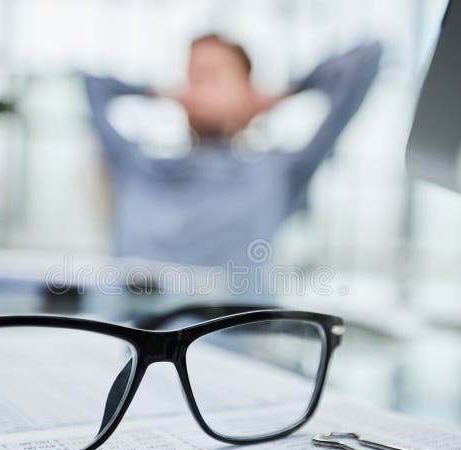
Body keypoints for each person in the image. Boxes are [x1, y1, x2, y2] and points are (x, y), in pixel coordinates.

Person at [85, 33, 382, 274]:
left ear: (249, 92)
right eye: (192, 75)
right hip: (133, 340)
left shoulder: (277, 174)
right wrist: (157, 92)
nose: (198, 86)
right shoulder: (139, 168)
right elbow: (92, 83)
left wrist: (282, 93)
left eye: (213, 76)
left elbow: (367, 58)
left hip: (227, 344)